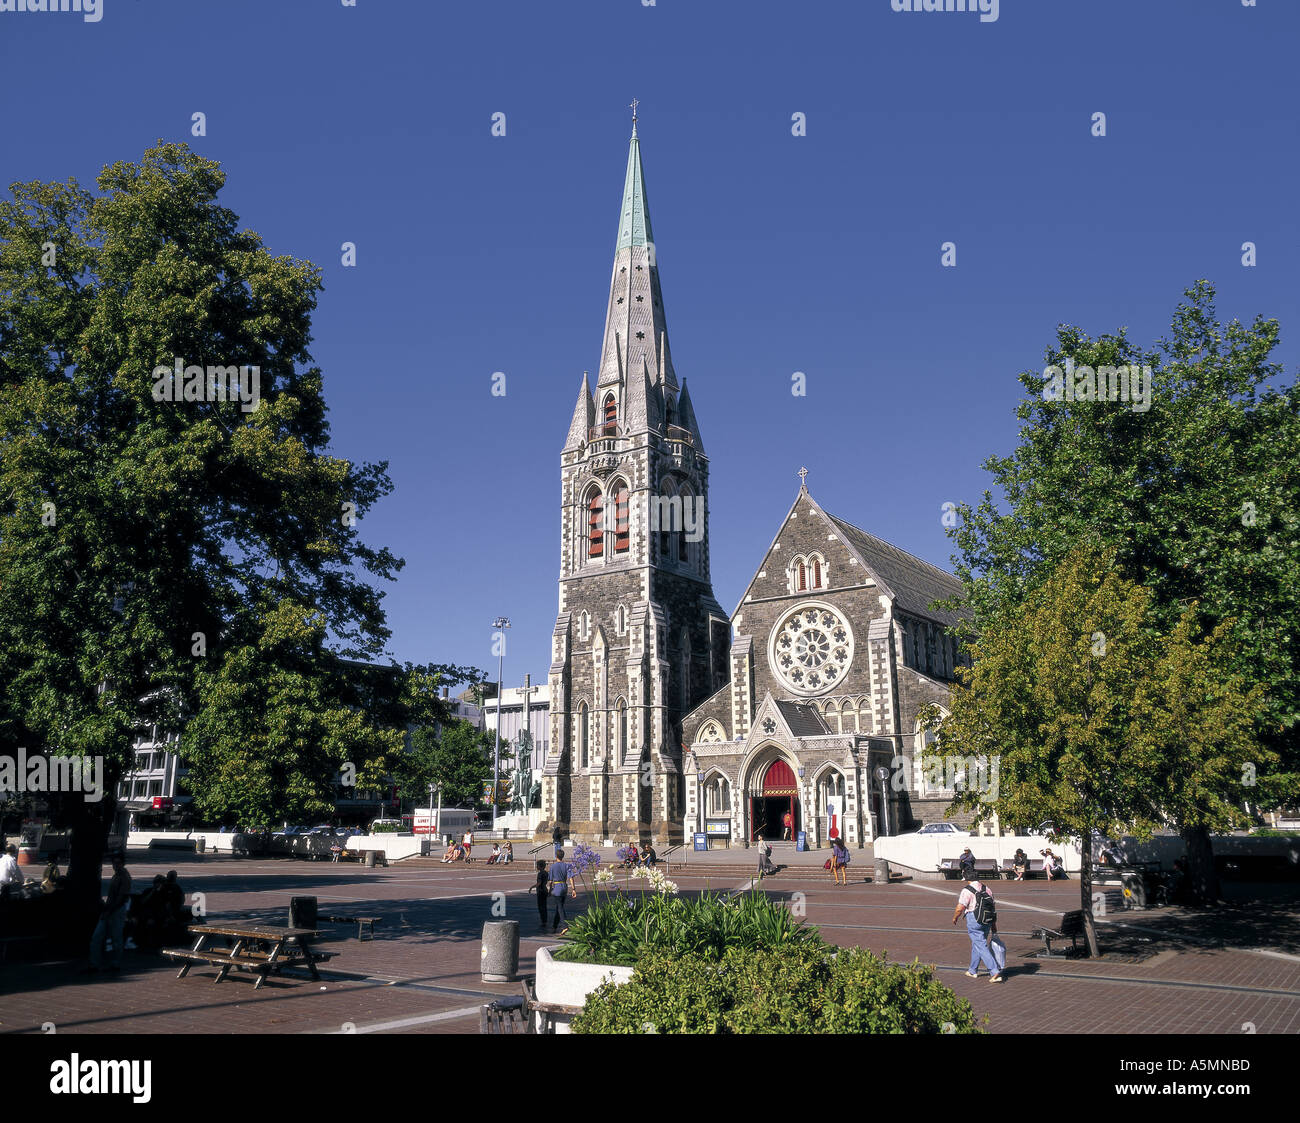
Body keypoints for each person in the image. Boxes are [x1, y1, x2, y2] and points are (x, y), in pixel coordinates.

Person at [952, 877, 1003, 983]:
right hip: (987, 920)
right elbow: (992, 907)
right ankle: (972, 970)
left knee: (980, 945)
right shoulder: (987, 889)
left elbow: (960, 907)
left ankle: (994, 971)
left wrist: (955, 917)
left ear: (967, 878)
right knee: (978, 944)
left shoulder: (967, 890)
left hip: (974, 919)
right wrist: (994, 926)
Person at [88, 852, 132, 972]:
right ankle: (95, 963)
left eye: (118, 863)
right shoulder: (117, 875)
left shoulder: (124, 877)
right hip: (109, 909)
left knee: (116, 938)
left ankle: (114, 963)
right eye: (114, 863)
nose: (115, 865)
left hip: (116, 911)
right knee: (98, 937)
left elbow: (121, 898)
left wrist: (109, 910)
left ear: (122, 864)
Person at [548, 849, 575, 934]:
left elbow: (550, 881)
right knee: (559, 907)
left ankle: (565, 925)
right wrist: (573, 889)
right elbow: (571, 877)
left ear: (556, 856)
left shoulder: (553, 866)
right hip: (564, 887)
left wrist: (549, 890)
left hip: (557, 888)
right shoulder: (567, 865)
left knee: (560, 907)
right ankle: (554, 926)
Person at [534, 860, 549, 928]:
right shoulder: (546, 873)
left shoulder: (540, 874)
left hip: (540, 890)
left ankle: (543, 921)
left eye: (537, 865)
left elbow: (539, 883)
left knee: (541, 906)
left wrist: (532, 887)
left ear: (540, 866)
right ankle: (545, 920)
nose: (537, 867)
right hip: (545, 890)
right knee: (544, 906)